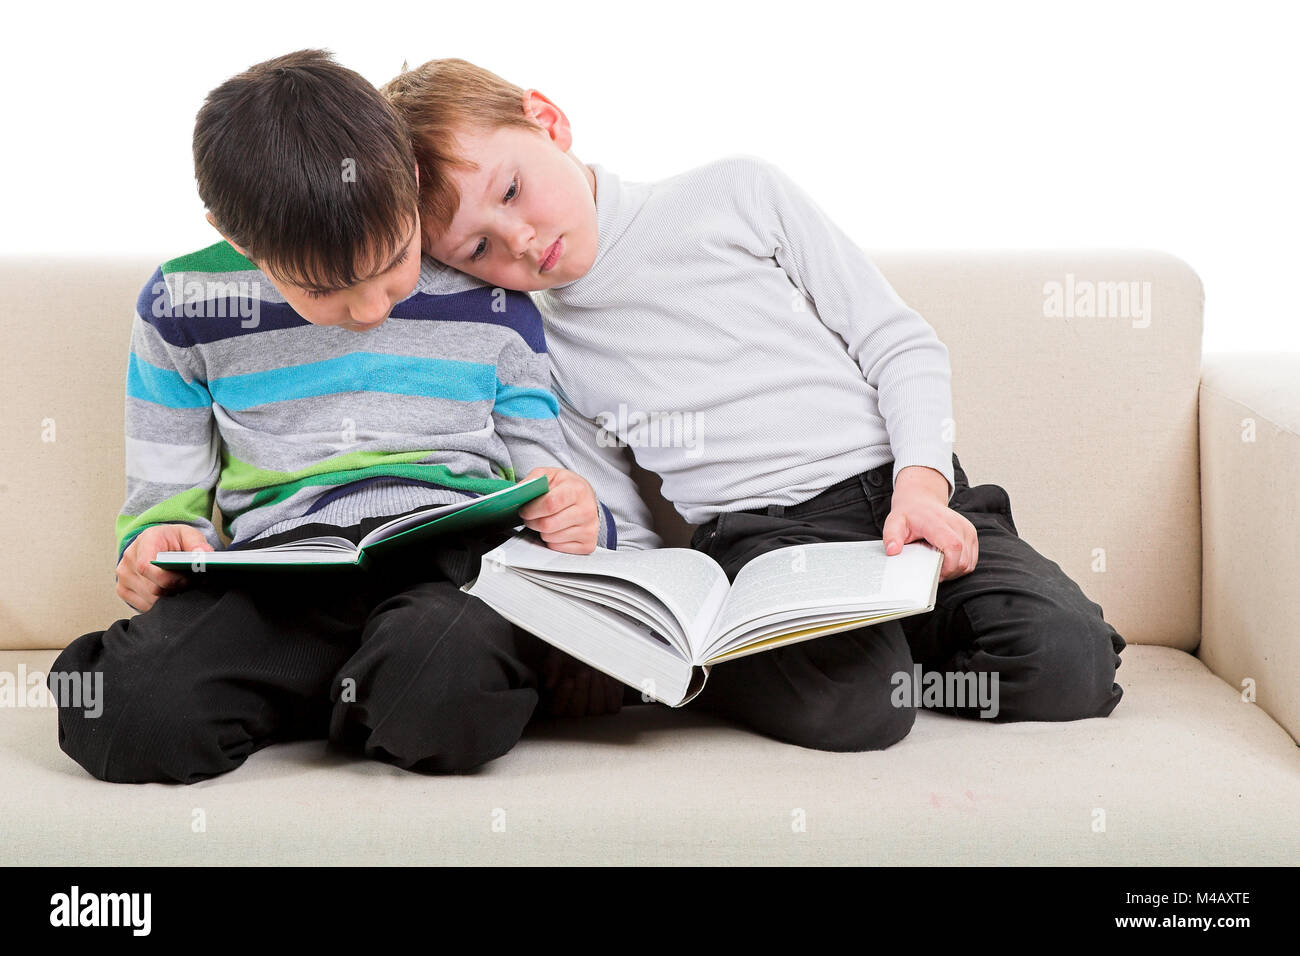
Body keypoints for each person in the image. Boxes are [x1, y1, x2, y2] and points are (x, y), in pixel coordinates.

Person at [382, 58, 1128, 750]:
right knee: (857, 706)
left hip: (904, 499)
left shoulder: (736, 192)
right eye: (477, 249)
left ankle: (900, 635)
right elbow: (620, 513)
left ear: (548, 120)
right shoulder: (540, 337)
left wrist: (923, 485)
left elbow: (901, 344)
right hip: (767, 543)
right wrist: (624, 628)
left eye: (511, 191)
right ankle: (763, 657)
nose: (518, 238)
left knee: (1067, 665)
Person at [49, 50, 620, 785]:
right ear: (239, 236)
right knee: (119, 713)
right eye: (325, 291)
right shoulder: (182, 304)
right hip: (282, 572)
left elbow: (539, 459)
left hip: (446, 565)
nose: (369, 310)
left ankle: (376, 687)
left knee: (445, 676)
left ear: (408, 181)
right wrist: (156, 543)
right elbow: (166, 497)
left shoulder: (490, 290)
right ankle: (366, 690)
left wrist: (568, 504)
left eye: (393, 265)